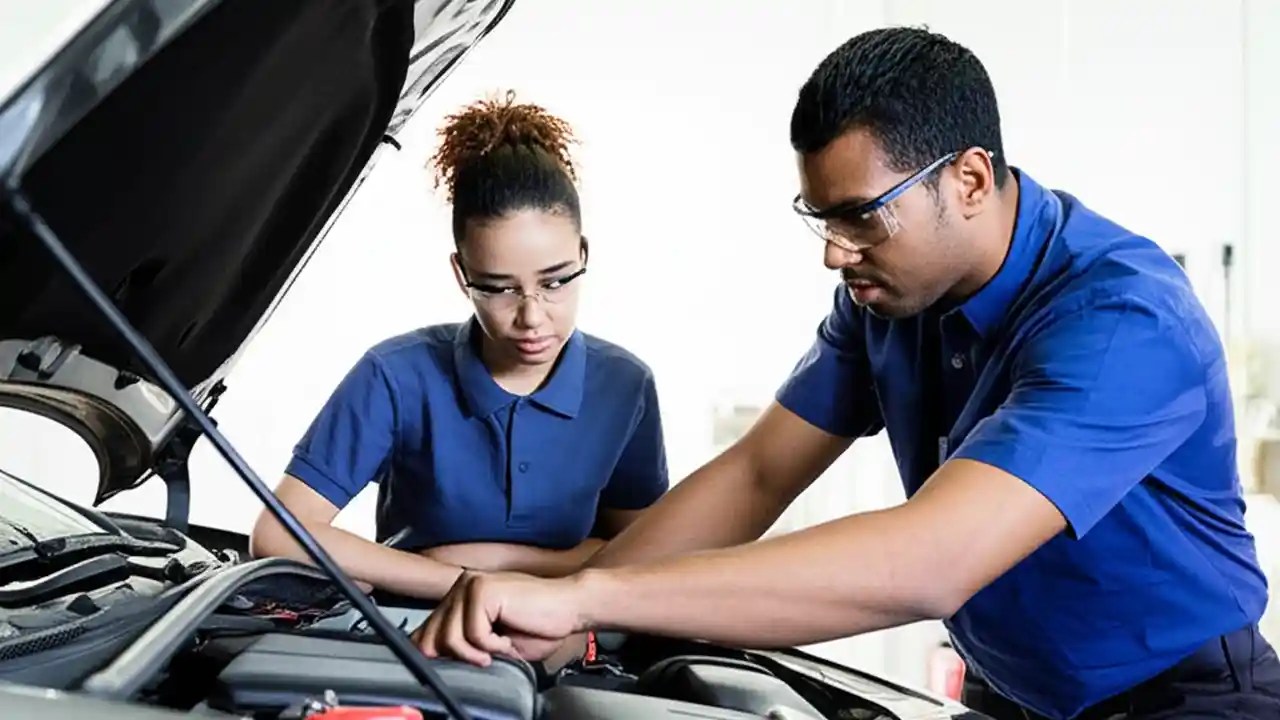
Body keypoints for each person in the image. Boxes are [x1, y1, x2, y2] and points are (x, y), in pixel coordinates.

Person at [411, 28, 1280, 720]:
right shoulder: (887, 299)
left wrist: (590, 596)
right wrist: (570, 620)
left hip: (1187, 700)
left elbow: (932, 559)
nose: (834, 252)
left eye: (861, 218)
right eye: (820, 217)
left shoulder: (1123, 321)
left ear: (969, 179)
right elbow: (755, 475)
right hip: (1012, 691)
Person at [249, 92, 669, 603]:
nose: (532, 316)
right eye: (498, 287)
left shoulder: (625, 385)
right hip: (413, 635)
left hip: (567, 639)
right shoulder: (396, 374)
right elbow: (277, 534)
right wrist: (464, 583)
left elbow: (646, 554)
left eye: (556, 281)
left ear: (583, 255)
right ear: (461, 274)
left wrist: (503, 565)